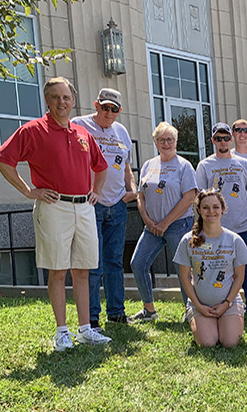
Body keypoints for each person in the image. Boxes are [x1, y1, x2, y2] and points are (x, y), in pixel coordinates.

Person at [0, 76, 111, 350]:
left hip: (84, 208)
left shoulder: (82, 134)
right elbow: (2, 159)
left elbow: (101, 166)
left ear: (73, 101)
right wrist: (28, 191)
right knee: (57, 271)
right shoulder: (33, 130)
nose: (62, 102)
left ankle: (85, 329)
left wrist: (97, 191)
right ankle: (61, 332)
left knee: (83, 270)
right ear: (47, 100)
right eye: (56, 97)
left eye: (66, 97)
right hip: (54, 206)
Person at [72, 88, 136, 331]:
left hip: (117, 205)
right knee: (92, 262)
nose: (109, 113)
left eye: (114, 109)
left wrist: (131, 189)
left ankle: (117, 313)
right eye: (105, 107)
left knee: (114, 262)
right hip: (91, 204)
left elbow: (126, 164)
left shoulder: (121, 131)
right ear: (96, 105)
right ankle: (92, 317)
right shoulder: (80, 124)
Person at [129, 121, 198, 322]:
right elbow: (140, 195)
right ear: (155, 142)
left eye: (170, 139)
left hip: (178, 225)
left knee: (183, 268)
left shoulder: (184, 166)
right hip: (151, 227)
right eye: (161, 140)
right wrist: (147, 220)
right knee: (138, 263)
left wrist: (165, 223)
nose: (166, 143)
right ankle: (149, 310)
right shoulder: (148, 165)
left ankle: (190, 309)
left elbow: (189, 197)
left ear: (176, 142)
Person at [195, 122, 247, 320]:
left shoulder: (244, 164)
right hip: (214, 229)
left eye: (226, 138)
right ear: (213, 141)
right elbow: (199, 198)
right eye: (218, 138)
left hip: (242, 226)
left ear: (231, 139)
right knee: (213, 267)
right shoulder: (205, 165)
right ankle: (211, 305)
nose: (222, 141)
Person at [174, 190, 247, 348]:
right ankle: (200, 319)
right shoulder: (187, 240)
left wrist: (227, 303)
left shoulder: (235, 240)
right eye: (206, 207)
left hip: (228, 303)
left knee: (230, 342)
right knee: (208, 343)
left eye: (215, 207)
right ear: (199, 210)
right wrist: (198, 305)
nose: (211, 211)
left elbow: (239, 277)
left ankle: (227, 319)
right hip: (200, 304)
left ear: (223, 209)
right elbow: (185, 277)